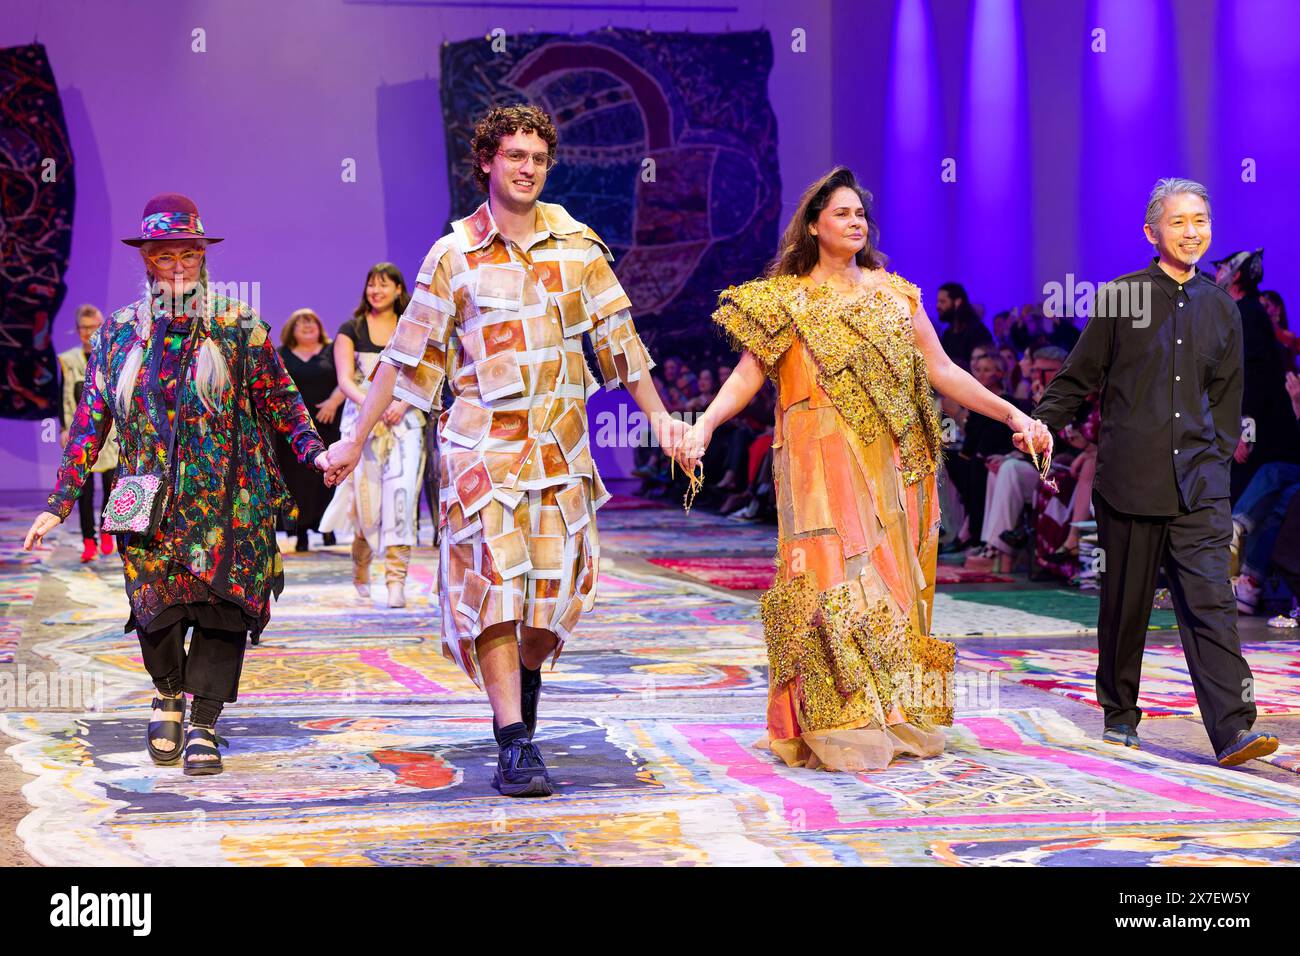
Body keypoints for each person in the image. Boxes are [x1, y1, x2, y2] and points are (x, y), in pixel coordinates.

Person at [322, 104, 688, 796]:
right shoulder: (452, 254)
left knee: (546, 608)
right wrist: (355, 440)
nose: (527, 168)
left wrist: (664, 421)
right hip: (479, 452)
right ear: (486, 161)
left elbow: (621, 345)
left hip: (558, 454)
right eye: (514, 155)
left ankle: (522, 685)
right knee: (492, 588)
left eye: (538, 158)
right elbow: (405, 361)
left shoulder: (578, 249)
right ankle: (514, 739)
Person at [682, 166, 1052, 772]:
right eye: (842, 214)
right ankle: (836, 723)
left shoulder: (894, 294)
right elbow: (748, 376)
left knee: (895, 582)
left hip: (891, 461)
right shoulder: (783, 298)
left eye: (860, 214)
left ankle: (897, 713)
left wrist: (1013, 411)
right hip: (815, 461)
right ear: (813, 225)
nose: (855, 223)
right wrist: (703, 425)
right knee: (828, 584)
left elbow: (943, 369)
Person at [23, 193, 329, 776]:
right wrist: (61, 502)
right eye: (167, 257)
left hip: (230, 501)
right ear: (147, 262)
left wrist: (315, 455)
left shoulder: (238, 326)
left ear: (202, 256)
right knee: (156, 611)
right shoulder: (118, 335)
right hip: (146, 498)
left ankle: (205, 723)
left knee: (223, 610)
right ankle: (167, 693)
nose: (180, 267)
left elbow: (283, 403)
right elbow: (91, 421)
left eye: (189, 254)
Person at [1033, 177, 1280, 767]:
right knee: (1125, 606)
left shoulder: (1224, 308)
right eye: (1179, 222)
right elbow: (1078, 376)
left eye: (1201, 220)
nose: (1192, 231)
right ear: (1152, 232)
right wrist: (1040, 423)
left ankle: (1234, 730)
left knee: (1211, 607)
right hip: (1130, 480)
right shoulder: (1122, 297)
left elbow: (1227, 398)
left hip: (1198, 486)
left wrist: (1216, 463)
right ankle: (1120, 716)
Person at [321, 264, 427, 607]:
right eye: (371, 285)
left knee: (402, 497)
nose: (376, 291)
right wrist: (376, 406)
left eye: (384, 285)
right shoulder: (350, 329)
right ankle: (361, 567)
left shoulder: (413, 327)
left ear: (399, 289)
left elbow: (424, 376)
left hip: (404, 422)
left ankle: (396, 579)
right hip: (362, 423)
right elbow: (346, 381)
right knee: (366, 504)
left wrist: (402, 405)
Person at [277, 308, 343, 551]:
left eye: (311, 323)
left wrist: (333, 403)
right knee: (297, 480)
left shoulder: (332, 350)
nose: (307, 327)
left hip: (328, 423)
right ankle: (301, 531)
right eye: (301, 324)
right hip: (294, 430)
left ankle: (327, 527)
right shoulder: (281, 354)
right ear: (291, 330)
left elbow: (347, 379)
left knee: (328, 476)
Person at [58, 304, 120, 563]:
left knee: (109, 487)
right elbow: (61, 396)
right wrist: (63, 427)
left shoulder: (110, 355)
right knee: (82, 490)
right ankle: (88, 541)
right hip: (81, 433)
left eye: (92, 327)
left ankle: (107, 533)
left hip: (109, 432)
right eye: (83, 328)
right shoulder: (69, 361)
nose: (87, 332)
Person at [936, 281, 992, 370]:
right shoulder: (948, 333)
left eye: (942, 302)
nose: (938, 306)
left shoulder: (977, 331)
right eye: (938, 301)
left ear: (957, 302)